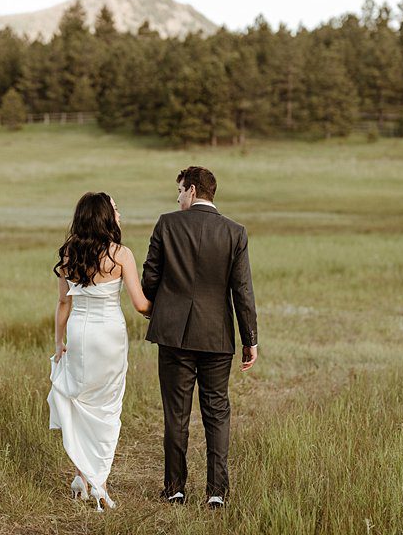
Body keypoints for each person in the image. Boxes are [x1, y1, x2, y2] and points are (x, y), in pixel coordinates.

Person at [142, 166, 258, 509]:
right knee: (217, 411)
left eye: (179, 190)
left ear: (192, 191)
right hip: (217, 336)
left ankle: (175, 489)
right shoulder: (235, 232)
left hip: (174, 334)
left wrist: (157, 308)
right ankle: (216, 492)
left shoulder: (167, 224)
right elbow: (243, 290)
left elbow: (150, 276)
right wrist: (250, 338)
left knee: (176, 414)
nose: (177, 197)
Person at [47, 192, 151, 511]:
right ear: (104, 216)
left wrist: (58, 342)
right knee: (107, 407)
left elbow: (64, 303)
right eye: (115, 209)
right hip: (109, 336)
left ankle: (84, 477)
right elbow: (140, 304)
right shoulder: (121, 255)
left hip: (79, 333)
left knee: (80, 403)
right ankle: (98, 484)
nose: (119, 213)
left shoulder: (68, 254)